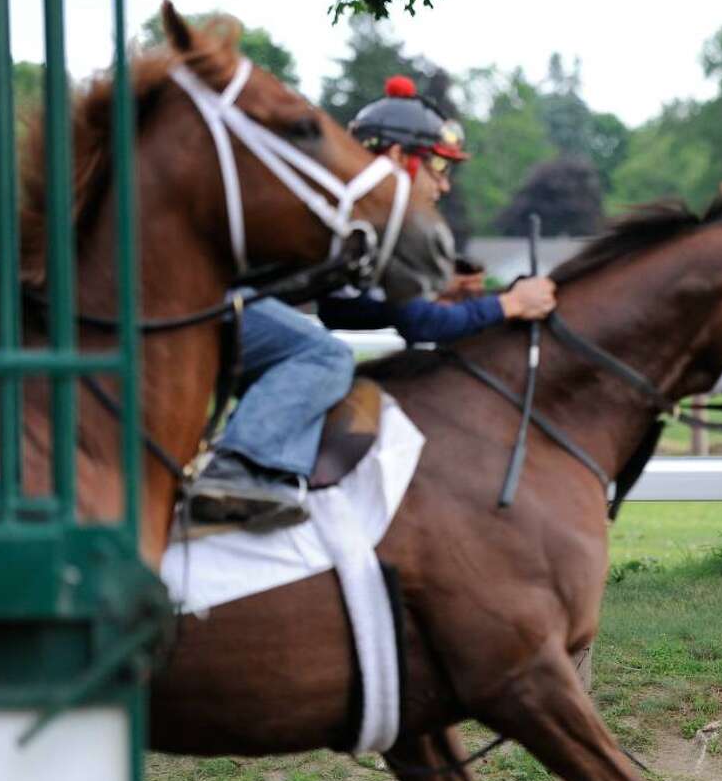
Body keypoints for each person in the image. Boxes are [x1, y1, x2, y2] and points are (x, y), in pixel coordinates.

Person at [188, 77, 556, 529]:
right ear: (399, 157)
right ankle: (236, 470)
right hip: (199, 299)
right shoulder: (360, 209)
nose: (443, 186)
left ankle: (268, 475)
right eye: (438, 167)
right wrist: (510, 305)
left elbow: (340, 307)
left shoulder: (355, 203)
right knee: (325, 357)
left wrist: (433, 294)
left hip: (215, 300)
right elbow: (421, 327)